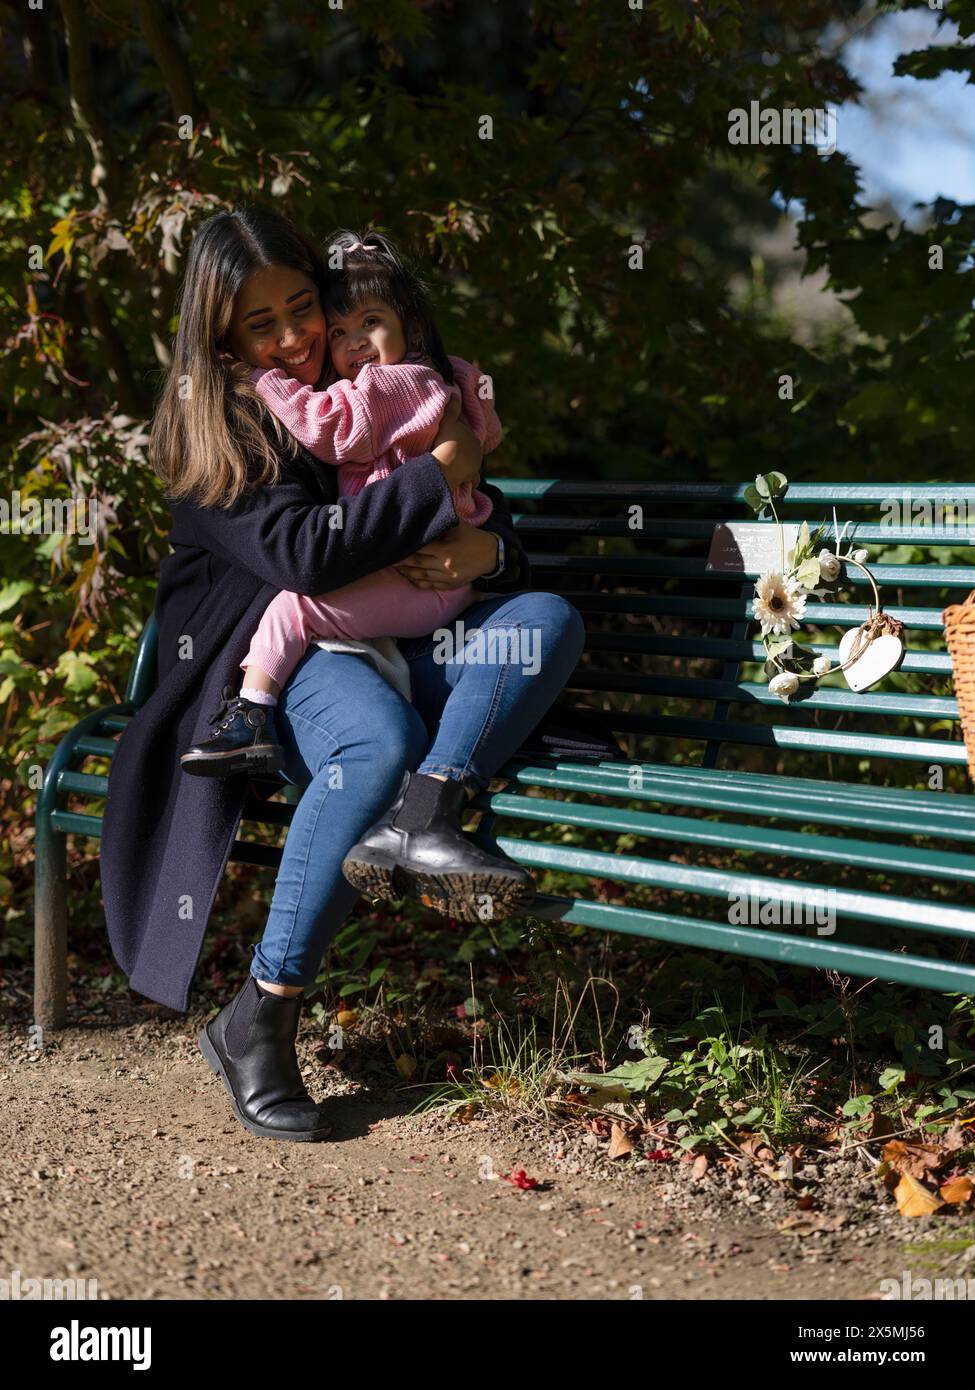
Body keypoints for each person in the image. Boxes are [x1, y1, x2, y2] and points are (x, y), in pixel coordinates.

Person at [100, 205, 588, 1143]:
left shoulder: (363, 383)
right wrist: (447, 465)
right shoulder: (220, 434)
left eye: (302, 306)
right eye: (260, 324)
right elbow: (307, 559)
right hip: (277, 657)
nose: (293, 337)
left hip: (407, 636)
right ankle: (261, 1018)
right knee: (374, 744)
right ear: (219, 335)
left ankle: (429, 816)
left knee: (543, 619)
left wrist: (487, 557)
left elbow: (472, 523)